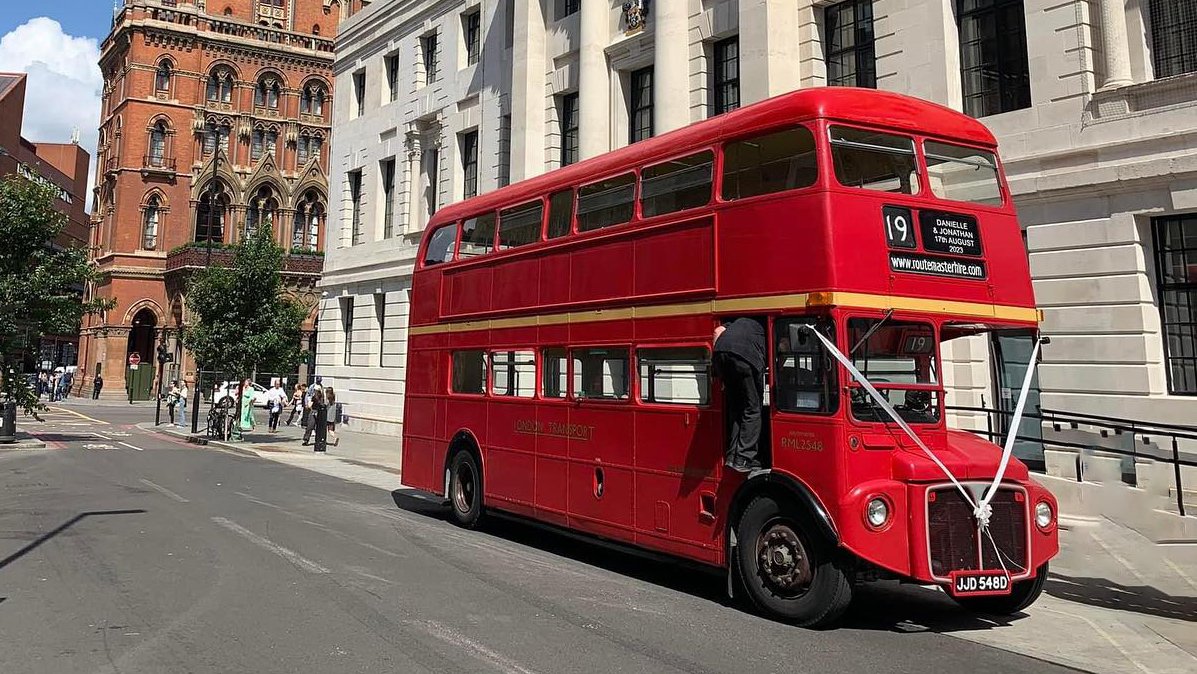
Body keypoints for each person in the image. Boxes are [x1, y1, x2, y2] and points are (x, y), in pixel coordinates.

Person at [713, 317, 766, 473]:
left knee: (736, 408)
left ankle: (732, 456)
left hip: (720, 354)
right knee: (753, 409)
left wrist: (718, 370)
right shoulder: (762, 327)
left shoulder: (736, 323)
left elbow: (717, 331)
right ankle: (744, 458)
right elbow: (783, 345)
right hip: (745, 357)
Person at [302, 384, 325, 449]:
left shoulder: (314, 397)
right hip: (320, 413)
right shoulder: (322, 397)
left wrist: (308, 403)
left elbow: (309, 405)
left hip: (313, 412)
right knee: (319, 428)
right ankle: (319, 440)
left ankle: (306, 440)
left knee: (310, 426)